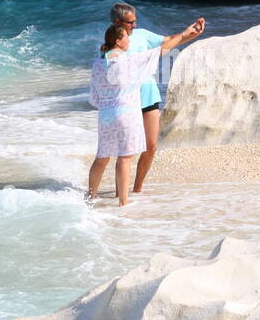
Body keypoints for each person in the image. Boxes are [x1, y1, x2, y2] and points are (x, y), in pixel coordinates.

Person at [88, 17, 205, 207]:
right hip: (125, 113)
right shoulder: (128, 60)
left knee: (102, 158)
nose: (129, 40)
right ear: (118, 41)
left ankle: (90, 197)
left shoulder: (99, 63)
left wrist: (108, 104)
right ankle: (123, 203)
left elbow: (94, 97)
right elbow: (160, 51)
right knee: (124, 158)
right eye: (126, 37)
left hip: (105, 116)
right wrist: (184, 34)